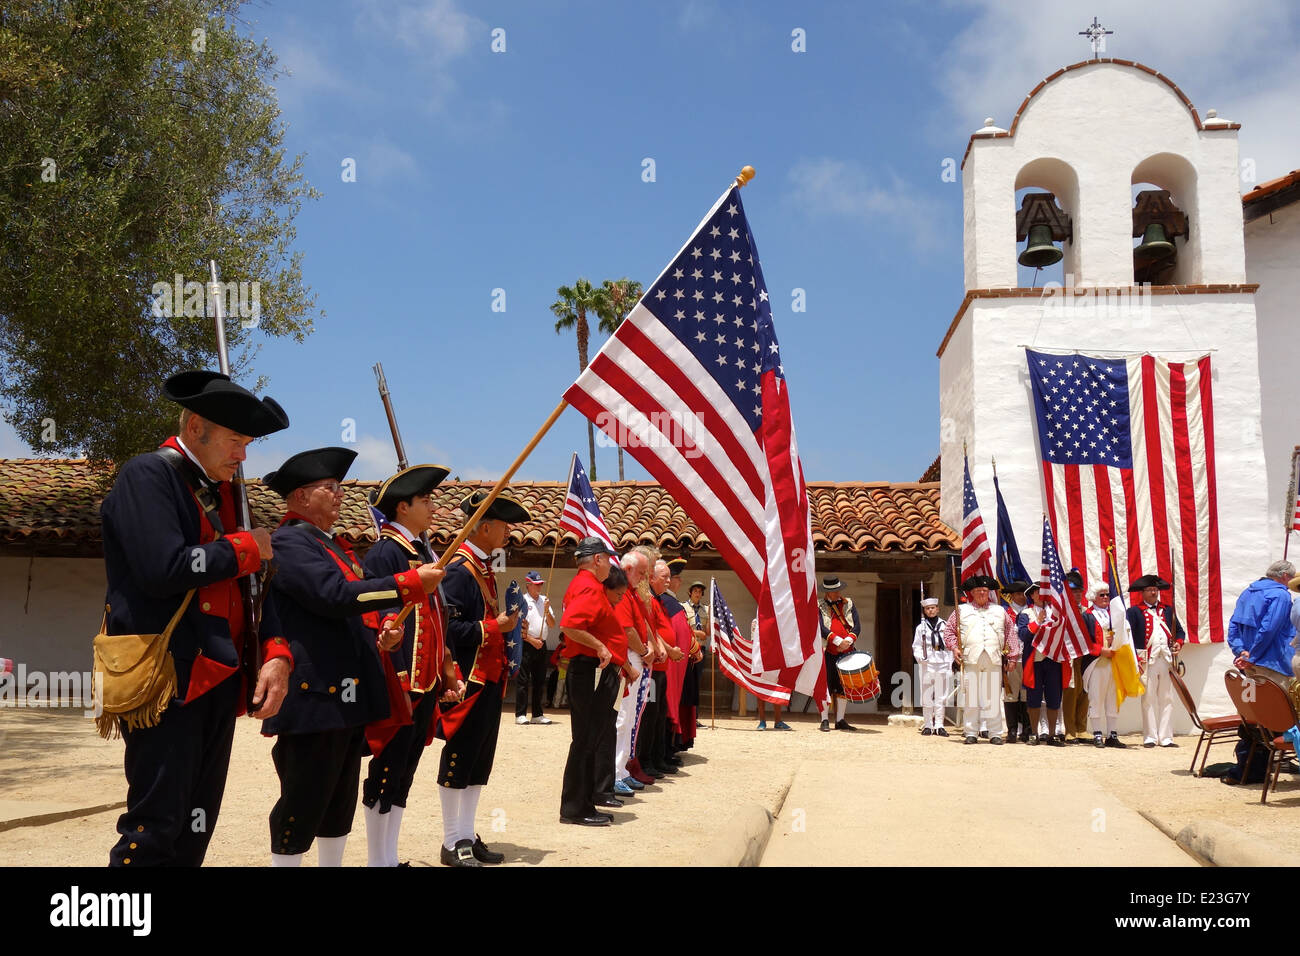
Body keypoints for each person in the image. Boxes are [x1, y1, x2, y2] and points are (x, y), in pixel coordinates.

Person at [101, 370, 291, 867]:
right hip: (168, 677)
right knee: (153, 827)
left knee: (195, 826)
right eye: (235, 440)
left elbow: (252, 593)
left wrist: (275, 654)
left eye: (248, 443)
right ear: (195, 426)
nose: (243, 455)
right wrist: (245, 547)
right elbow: (161, 568)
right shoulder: (148, 475)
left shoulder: (230, 494)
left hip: (216, 679)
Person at [261, 448, 444, 867]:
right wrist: (407, 584)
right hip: (314, 694)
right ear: (301, 497)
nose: (339, 496)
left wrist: (382, 633)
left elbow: (352, 610)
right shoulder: (289, 542)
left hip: (344, 694)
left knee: (337, 801)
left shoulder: (335, 548)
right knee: (303, 798)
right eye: (330, 489)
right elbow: (331, 597)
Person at [360, 463, 458, 867]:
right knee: (385, 771)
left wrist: (445, 670)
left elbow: (435, 617)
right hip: (403, 680)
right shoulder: (387, 553)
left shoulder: (422, 553)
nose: (432, 506)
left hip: (426, 680)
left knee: (403, 773)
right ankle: (375, 860)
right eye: (425, 500)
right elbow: (382, 616)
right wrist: (398, 676)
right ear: (403, 508)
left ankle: (389, 856)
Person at [435, 490, 530, 866]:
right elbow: (449, 629)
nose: (508, 531)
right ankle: (450, 840)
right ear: (484, 526)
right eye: (503, 525)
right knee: (459, 758)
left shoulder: (483, 568)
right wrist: (496, 626)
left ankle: (466, 834)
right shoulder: (460, 569)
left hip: (490, 676)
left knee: (478, 762)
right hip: (468, 679)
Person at [558, 537, 620, 826]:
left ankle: (583, 804)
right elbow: (570, 624)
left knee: (589, 738)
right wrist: (600, 646)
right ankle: (575, 808)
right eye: (607, 558)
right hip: (589, 669)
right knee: (585, 739)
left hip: (592, 669)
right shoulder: (589, 586)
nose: (609, 563)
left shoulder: (585, 584)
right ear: (597, 559)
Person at [1222, 561, 1297, 784]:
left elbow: (1233, 626)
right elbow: (1269, 630)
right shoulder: (1281, 596)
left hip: (1251, 665)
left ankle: (1249, 766)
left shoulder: (1248, 591)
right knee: (1281, 715)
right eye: (1290, 579)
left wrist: (1241, 652)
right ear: (1284, 576)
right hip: (1273, 664)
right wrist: (1253, 655)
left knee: (1255, 716)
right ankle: (1259, 767)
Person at [945, 575, 1018, 744]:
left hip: (993, 658)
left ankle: (995, 733)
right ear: (972, 593)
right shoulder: (961, 610)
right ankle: (970, 732)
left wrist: (1013, 656)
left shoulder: (1000, 611)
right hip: (970, 658)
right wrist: (954, 648)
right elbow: (949, 632)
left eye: (985, 591)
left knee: (993, 697)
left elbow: (1010, 633)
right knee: (971, 696)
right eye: (978, 591)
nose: (982, 594)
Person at [1126, 575, 1185, 748]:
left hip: (1166, 659)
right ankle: (1150, 737)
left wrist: (1178, 644)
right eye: (1150, 589)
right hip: (1147, 660)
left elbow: (1180, 632)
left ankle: (1166, 737)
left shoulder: (1167, 610)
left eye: (1155, 589)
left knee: (1167, 699)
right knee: (1148, 699)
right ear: (1142, 592)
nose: (1153, 592)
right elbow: (1129, 637)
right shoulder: (1134, 612)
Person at [612, 551, 653, 794]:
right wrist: (645, 651)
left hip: (636, 658)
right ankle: (615, 772)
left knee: (629, 719)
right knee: (623, 718)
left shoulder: (630, 594)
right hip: (629, 658)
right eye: (640, 573)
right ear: (627, 569)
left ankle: (622, 769)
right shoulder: (623, 595)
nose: (643, 578)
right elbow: (627, 630)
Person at [652, 559, 694, 760]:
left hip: (668, 662)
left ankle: (659, 756)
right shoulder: (660, 601)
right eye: (667, 577)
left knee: (660, 712)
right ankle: (655, 756)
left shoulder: (663, 601)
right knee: (655, 713)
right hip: (659, 663)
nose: (671, 581)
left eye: (672, 577)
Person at [818, 575, 861, 731]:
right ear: (827, 592)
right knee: (826, 685)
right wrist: (837, 641)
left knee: (844, 686)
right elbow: (821, 628)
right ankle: (824, 720)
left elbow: (857, 627)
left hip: (846, 651)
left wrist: (847, 642)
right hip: (827, 651)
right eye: (834, 591)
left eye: (838, 590)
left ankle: (840, 720)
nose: (837, 593)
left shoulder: (848, 603)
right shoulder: (819, 605)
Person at [516, 570, 556, 725]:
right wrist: (532, 641)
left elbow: (552, 624)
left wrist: (547, 610)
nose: (539, 587)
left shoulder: (544, 600)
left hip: (542, 643)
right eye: (536, 584)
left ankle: (537, 714)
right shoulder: (522, 601)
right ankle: (520, 714)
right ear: (528, 585)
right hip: (527, 643)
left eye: (541, 584)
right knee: (523, 680)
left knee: (539, 680)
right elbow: (518, 627)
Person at [912, 597, 951, 737]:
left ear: (937, 609)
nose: (931, 610)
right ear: (924, 611)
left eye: (933, 608)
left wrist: (950, 663)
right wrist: (920, 657)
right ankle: (928, 724)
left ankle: (939, 725)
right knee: (926, 694)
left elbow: (950, 645)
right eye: (928, 608)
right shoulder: (920, 627)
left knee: (941, 695)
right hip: (927, 662)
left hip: (942, 661)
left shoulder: (945, 625)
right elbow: (916, 646)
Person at [1000, 581, 1032, 743]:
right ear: (1012, 596)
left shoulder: (1030, 612)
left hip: (1027, 658)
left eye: (1025, 594)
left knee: (1026, 695)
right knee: (1011, 695)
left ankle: (1026, 729)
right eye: (1019, 594)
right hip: (1011, 658)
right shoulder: (1005, 613)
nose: (1022, 597)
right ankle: (1012, 729)